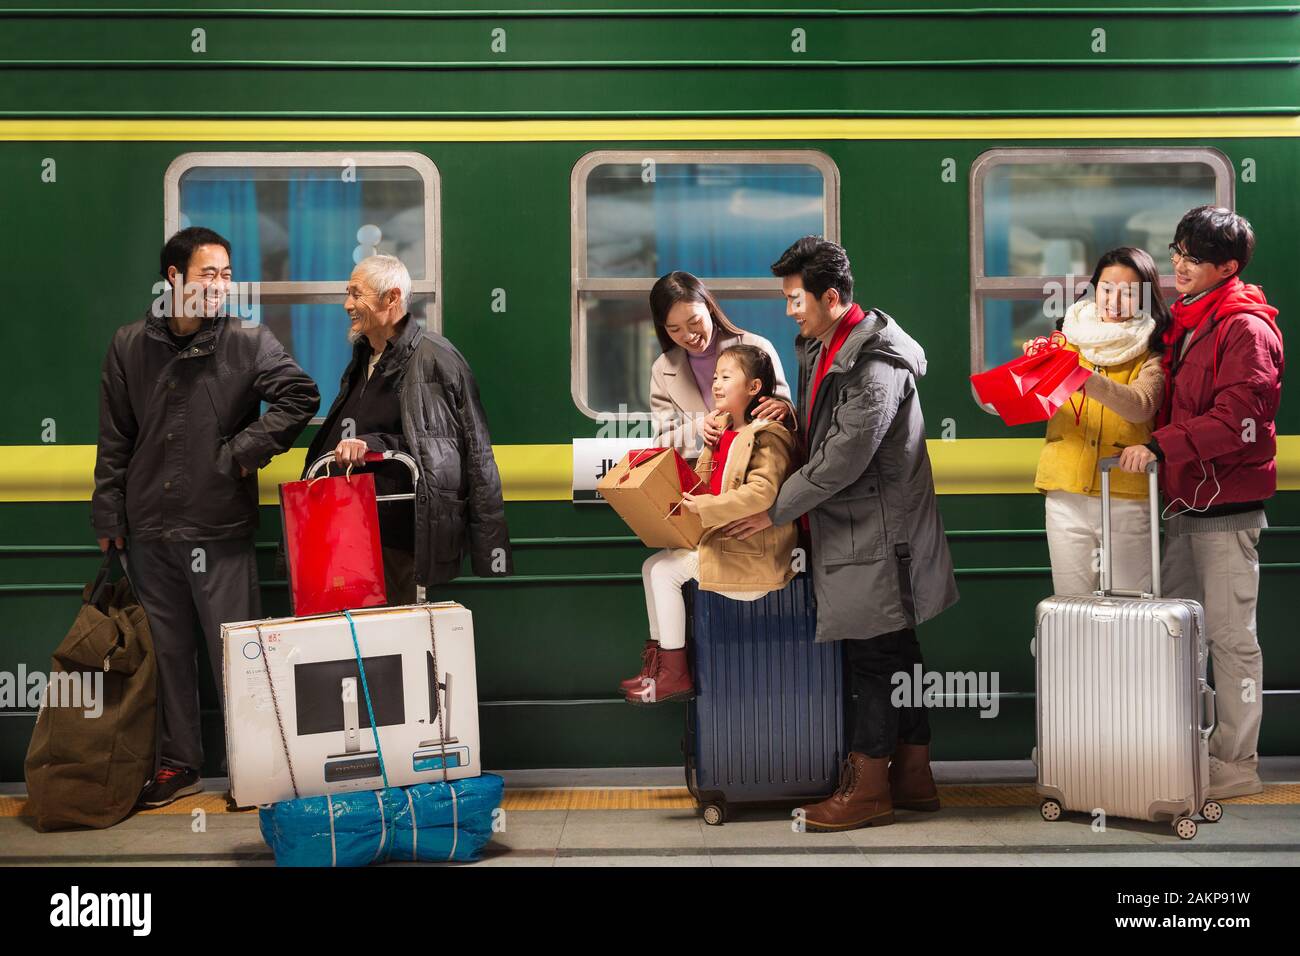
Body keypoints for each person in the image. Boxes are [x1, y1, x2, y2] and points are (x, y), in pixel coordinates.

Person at [722, 236, 958, 831]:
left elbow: (843, 458)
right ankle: (913, 777)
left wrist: (774, 509)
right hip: (857, 529)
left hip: (876, 533)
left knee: (873, 659)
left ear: (831, 297)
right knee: (898, 653)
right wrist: (781, 406)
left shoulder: (874, 364)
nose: (788, 311)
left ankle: (868, 789)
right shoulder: (821, 346)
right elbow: (824, 426)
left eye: (796, 299)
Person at [92, 226, 319, 808]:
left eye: (225, 275)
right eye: (208, 274)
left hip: (218, 525)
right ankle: (179, 764)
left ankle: (256, 766)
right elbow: (115, 437)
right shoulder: (128, 345)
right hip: (149, 527)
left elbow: (300, 396)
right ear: (174, 277)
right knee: (168, 653)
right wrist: (109, 512)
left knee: (236, 653)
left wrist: (241, 454)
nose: (220, 286)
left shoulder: (247, 341)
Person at [1118, 206, 1283, 800]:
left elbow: (1240, 421)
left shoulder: (1245, 329)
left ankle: (1236, 763)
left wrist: (1161, 448)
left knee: (1232, 639)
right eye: (1177, 251)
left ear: (1228, 267)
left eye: (1194, 258)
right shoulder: (1192, 320)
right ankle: (1187, 750)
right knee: (1180, 636)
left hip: (1226, 510)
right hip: (1187, 507)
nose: (1179, 265)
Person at [302, 254, 512, 603]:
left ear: (392, 298)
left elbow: (446, 451)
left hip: (402, 531)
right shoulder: (365, 355)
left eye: (356, 294)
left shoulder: (434, 357)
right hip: (357, 524)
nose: (347, 305)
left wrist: (371, 443)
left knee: (397, 640)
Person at [622, 345, 799, 705]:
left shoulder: (767, 435)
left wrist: (701, 507)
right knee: (651, 565)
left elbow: (762, 494)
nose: (716, 383)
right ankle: (659, 665)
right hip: (722, 542)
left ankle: (675, 674)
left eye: (726, 377)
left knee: (664, 574)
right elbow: (705, 481)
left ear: (753, 388)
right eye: (715, 376)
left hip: (750, 553)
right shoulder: (721, 430)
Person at [1036, 247, 1170, 595]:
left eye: (1129, 291)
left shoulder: (1152, 348)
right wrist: (1030, 373)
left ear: (1144, 296)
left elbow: (1141, 406)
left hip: (1126, 492)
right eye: (1106, 288)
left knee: (1131, 606)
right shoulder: (1065, 340)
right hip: (1065, 492)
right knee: (1070, 605)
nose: (1114, 299)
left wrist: (1081, 377)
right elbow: (1037, 405)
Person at [649, 271, 795, 457]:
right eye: (674, 329)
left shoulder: (757, 347)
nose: (688, 335)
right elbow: (661, 441)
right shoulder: (662, 369)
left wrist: (783, 409)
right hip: (697, 479)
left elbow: (785, 412)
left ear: (709, 306)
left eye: (694, 322)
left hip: (755, 467)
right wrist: (697, 430)